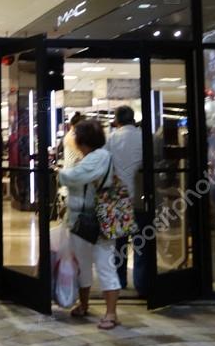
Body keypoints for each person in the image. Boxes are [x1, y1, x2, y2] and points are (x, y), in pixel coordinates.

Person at [56, 119, 122, 329]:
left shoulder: (99, 157)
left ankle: (111, 313)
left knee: (104, 265)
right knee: (83, 267)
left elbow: (74, 177)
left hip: (97, 220)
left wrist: (59, 173)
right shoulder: (90, 157)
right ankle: (83, 304)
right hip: (80, 221)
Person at [105, 105, 148, 296]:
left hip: (118, 196)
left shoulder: (112, 139)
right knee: (141, 241)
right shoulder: (143, 138)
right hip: (140, 197)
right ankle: (141, 283)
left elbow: (106, 165)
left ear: (117, 120)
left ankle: (120, 280)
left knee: (119, 242)